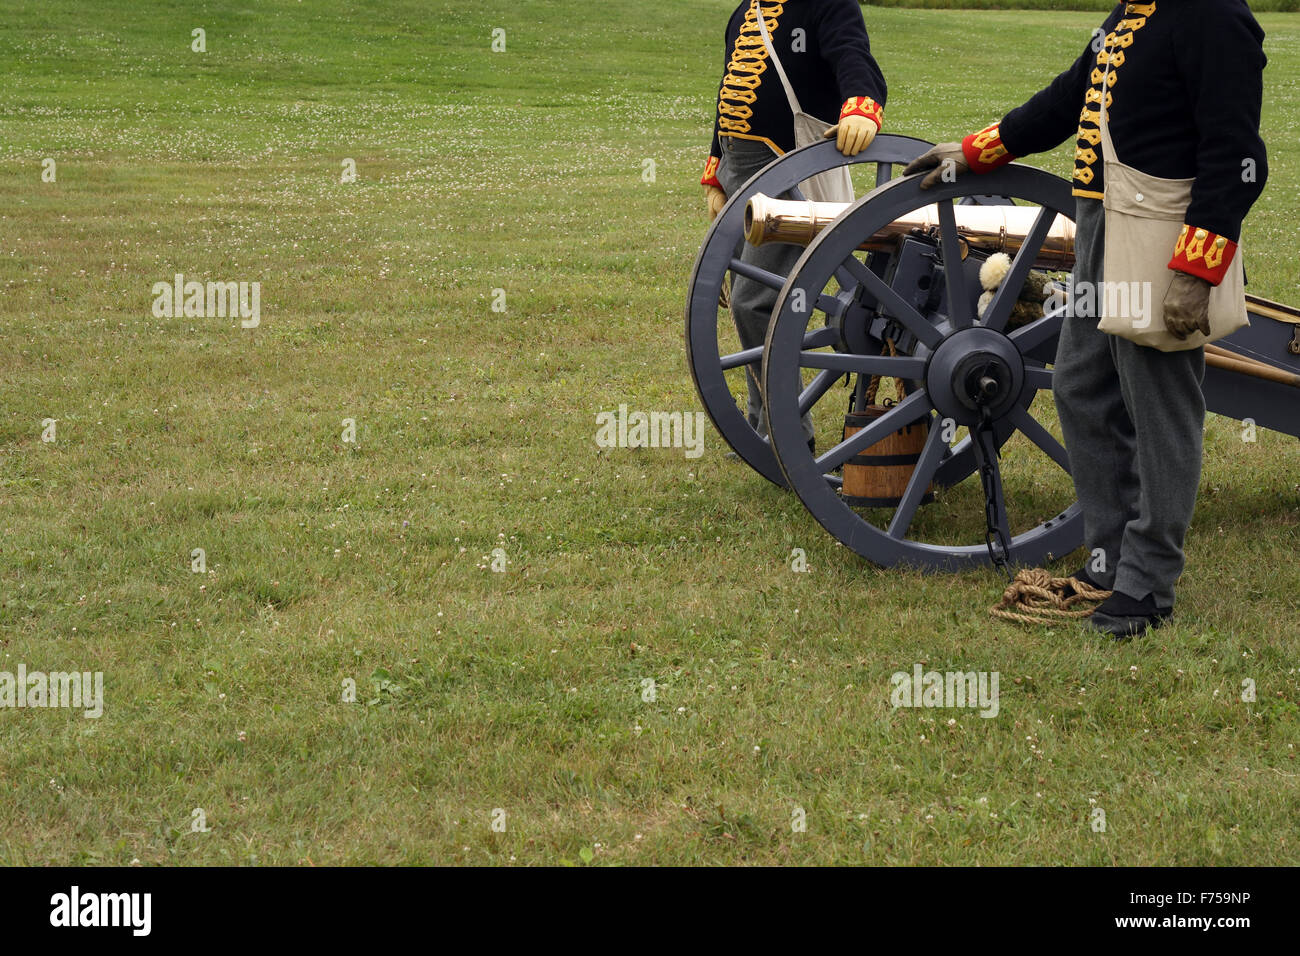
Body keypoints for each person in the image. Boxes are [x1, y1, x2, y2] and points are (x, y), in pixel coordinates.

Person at [905, 1, 1268, 637]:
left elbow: (1238, 155)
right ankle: (1108, 559)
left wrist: (1198, 265)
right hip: (1102, 226)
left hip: (1159, 236)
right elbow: (1070, 98)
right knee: (1080, 386)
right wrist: (975, 150)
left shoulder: (1213, 13)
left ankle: (1148, 584)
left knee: (1158, 402)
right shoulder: (1135, 9)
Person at [702, 0, 888, 449]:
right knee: (742, 303)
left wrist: (861, 107)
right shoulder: (746, 10)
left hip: (781, 169)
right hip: (738, 168)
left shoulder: (826, 4)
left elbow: (854, 57)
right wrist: (715, 171)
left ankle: (788, 433)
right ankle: (760, 421)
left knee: (755, 304)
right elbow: (728, 92)